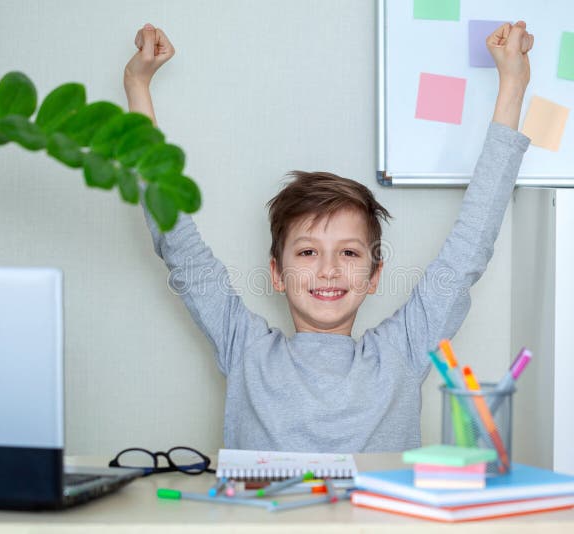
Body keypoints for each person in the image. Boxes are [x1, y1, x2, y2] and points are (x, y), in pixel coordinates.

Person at [123, 21, 534, 452]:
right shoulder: (245, 348)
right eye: (306, 251)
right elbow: (177, 241)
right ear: (277, 273)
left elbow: (470, 246)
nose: (329, 269)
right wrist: (137, 86)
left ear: (375, 275)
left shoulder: (403, 351)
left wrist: (513, 85)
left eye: (350, 253)